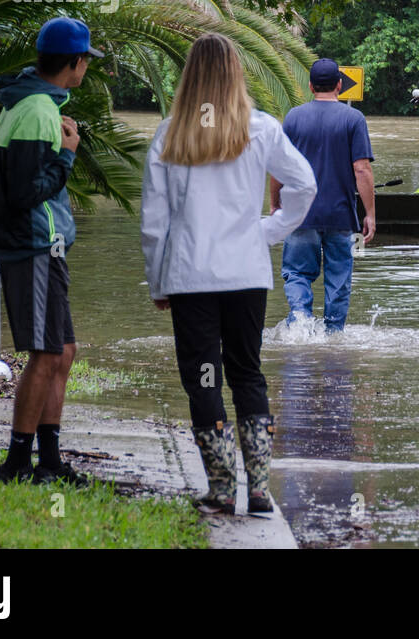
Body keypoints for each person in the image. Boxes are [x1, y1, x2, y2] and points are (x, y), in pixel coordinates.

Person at [141, 33, 317, 514]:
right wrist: (268, 231)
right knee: (247, 372)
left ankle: (222, 488)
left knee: (203, 378)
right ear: (237, 73)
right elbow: (305, 184)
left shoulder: (169, 135)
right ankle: (259, 489)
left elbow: (155, 224)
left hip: (190, 276)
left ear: (190, 76)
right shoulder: (261, 129)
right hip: (246, 273)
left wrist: (159, 283)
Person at [0, 17, 101, 485]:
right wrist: (68, 155)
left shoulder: (34, 103)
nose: (86, 69)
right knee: (45, 353)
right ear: (74, 63)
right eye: (85, 61)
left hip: (43, 248)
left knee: (64, 350)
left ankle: (50, 460)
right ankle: (18, 463)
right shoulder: (36, 110)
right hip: (33, 246)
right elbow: (23, 192)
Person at [272, 58, 375, 333]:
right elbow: (362, 169)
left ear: (310, 86)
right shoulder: (354, 119)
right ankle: (333, 336)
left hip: (300, 215)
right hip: (343, 217)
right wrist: (370, 215)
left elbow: (278, 167)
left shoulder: (294, 117)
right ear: (340, 85)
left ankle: (301, 324)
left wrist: (275, 204)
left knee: (296, 273)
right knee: (340, 279)